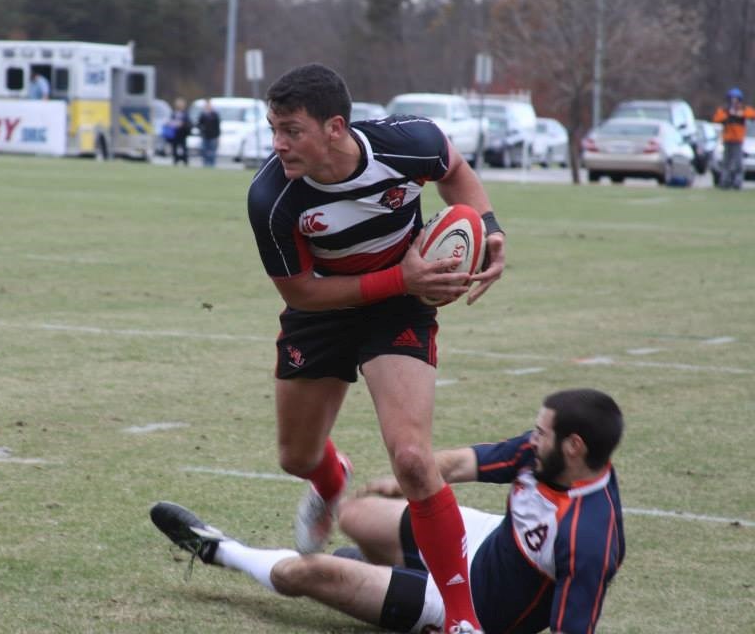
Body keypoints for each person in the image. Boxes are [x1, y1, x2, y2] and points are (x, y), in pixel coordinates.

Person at [245, 63, 506, 632]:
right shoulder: (271, 197)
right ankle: (330, 478)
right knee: (296, 457)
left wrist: (490, 226)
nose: (278, 143)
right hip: (324, 309)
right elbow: (300, 292)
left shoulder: (410, 142)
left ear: (335, 128)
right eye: (274, 129)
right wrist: (400, 279)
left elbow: (455, 170)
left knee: (412, 459)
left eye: (292, 130)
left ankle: (462, 619)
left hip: (400, 308)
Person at [152, 388, 625, 634]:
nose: (531, 437)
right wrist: (405, 482)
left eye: (541, 432)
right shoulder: (543, 455)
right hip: (486, 541)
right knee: (356, 514)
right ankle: (384, 578)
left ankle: (219, 549)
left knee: (310, 572)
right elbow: (460, 463)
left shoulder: (589, 539)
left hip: (477, 609)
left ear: (574, 447)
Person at [712, 87, 755, 190]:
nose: (734, 102)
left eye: (736, 99)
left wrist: (740, 113)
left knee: (738, 163)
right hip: (727, 140)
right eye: (732, 99)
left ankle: (737, 182)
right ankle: (725, 182)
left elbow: (752, 114)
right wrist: (728, 115)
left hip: (738, 141)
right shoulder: (725, 111)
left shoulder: (743, 110)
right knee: (726, 163)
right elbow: (716, 118)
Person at [197, 99, 222, 168]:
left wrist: (218, 136)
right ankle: (205, 164)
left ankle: (212, 164)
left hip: (213, 136)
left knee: (212, 151)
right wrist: (202, 129)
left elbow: (217, 126)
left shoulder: (215, 115)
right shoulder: (203, 115)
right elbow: (198, 124)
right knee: (204, 151)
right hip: (205, 135)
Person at [168, 97, 192, 166]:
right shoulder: (174, 113)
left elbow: (188, 122)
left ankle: (185, 161)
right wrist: (171, 123)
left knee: (184, 148)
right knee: (174, 148)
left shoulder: (185, 113)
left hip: (182, 133)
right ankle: (175, 160)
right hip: (175, 133)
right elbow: (171, 121)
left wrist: (182, 124)